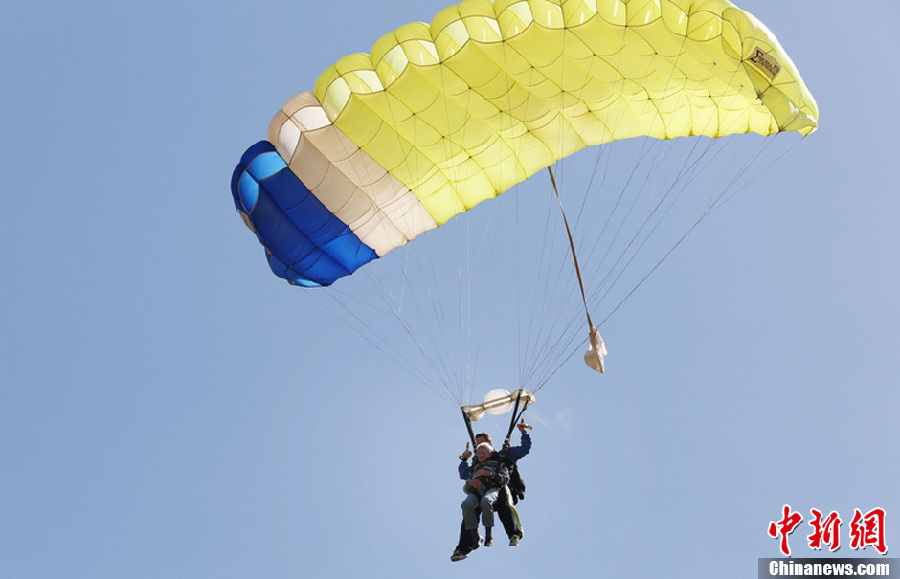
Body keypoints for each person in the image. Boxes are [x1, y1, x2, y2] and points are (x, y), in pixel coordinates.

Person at [450, 423, 532, 562]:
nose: (479, 449)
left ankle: (514, 533)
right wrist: (464, 460)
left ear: (489, 443)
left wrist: (523, 432)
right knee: (469, 512)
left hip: (499, 487)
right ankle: (463, 548)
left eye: (482, 444)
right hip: (481, 491)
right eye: (477, 447)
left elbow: (524, 449)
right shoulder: (478, 462)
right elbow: (464, 474)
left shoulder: (503, 455)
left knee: (504, 504)